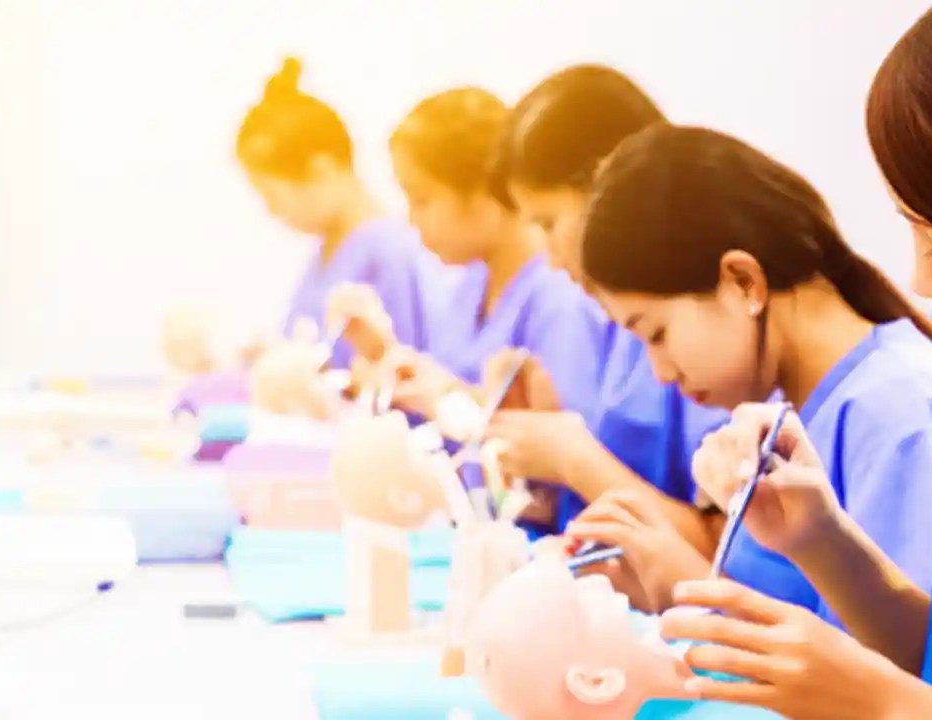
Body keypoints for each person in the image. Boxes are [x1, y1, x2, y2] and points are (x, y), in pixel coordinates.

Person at [656, 3, 932, 718]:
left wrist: (876, 704)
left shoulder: (914, 398)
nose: (927, 286)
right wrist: (825, 543)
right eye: (918, 236)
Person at [563, 124, 932, 619]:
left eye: (656, 334)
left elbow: (913, 668)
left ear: (743, 282)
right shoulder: (792, 412)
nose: (660, 373)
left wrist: (694, 587)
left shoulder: (900, 410)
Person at [482, 65, 730, 547]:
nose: (550, 259)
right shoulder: (615, 322)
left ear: (611, 183)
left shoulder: (703, 317)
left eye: (550, 223)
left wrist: (574, 460)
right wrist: (542, 449)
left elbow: (729, 554)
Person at [369, 86, 614, 534]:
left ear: (484, 193)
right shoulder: (471, 285)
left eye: (422, 200)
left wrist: (456, 402)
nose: (411, 220)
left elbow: (562, 462)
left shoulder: (558, 300)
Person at [235, 57, 445, 368]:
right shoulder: (326, 252)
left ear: (321, 170)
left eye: (273, 197)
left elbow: (405, 374)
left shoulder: (389, 252)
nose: (272, 213)